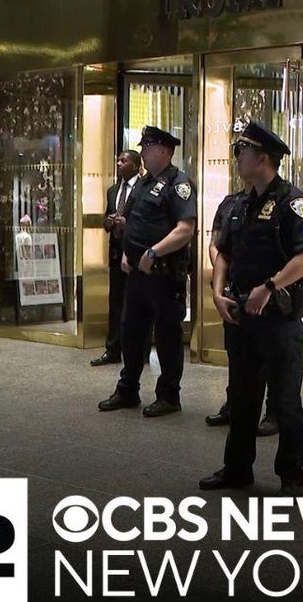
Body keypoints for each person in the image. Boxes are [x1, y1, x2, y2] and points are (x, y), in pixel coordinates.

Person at [199, 121, 303, 497]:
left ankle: (291, 477)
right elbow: (222, 252)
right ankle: (237, 468)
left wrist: (269, 287)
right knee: (242, 396)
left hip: (278, 320)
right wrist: (218, 294)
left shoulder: (290, 201)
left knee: (285, 400)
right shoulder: (237, 204)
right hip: (240, 315)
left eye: (242, 151)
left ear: (262, 157)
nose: (237, 157)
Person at [97, 126, 196, 418]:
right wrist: (129, 252)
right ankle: (128, 389)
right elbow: (134, 222)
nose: (142, 152)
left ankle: (169, 396)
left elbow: (185, 230)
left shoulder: (179, 184)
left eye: (148, 147)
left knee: (167, 336)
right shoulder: (142, 184)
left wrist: (154, 252)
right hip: (138, 274)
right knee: (131, 332)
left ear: (164, 151)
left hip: (164, 274)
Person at [205, 188, 279, 436]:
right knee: (237, 357)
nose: (240, 160)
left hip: (268, 296)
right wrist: (221, 277)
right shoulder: (231, 203)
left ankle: (274, 412)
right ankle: (233, 404)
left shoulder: (283, 201)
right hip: (234, 290)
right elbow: (217, 245)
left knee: (272, 359)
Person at [91, 150, 142, 367]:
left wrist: (127, 224)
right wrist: (109, 222)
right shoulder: (113, 191)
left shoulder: (145, 188)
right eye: (118, 160)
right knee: (115, 302)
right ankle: (112, 349)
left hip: (137, 254)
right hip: (115, 254)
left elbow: (146, 221)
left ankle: (139, 351)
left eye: (124, 160)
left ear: (136, 164)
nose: (119, 163)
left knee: (139, 304)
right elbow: (105, 220)